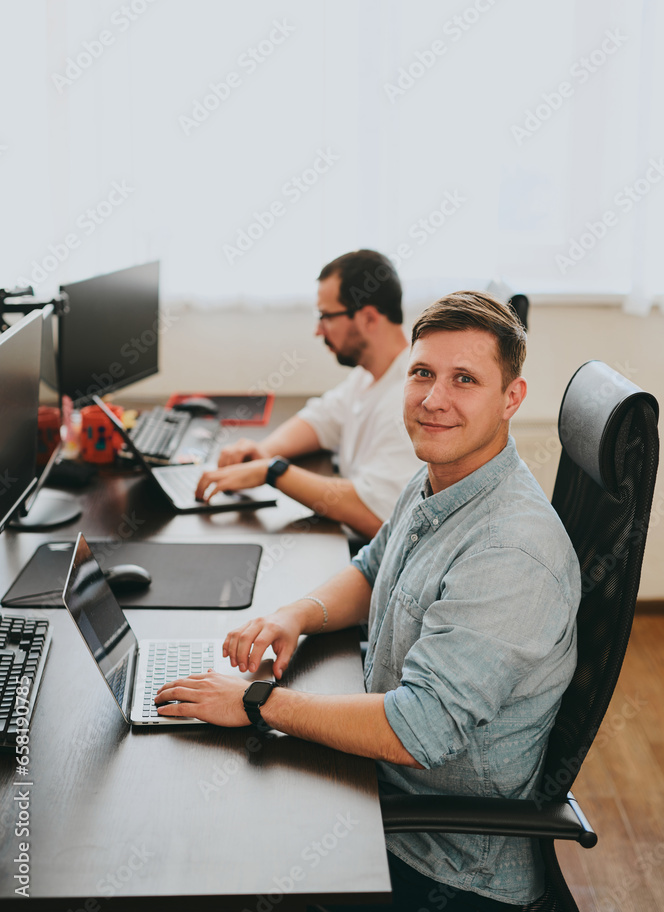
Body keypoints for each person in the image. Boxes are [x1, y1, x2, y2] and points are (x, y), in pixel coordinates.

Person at [157, 291, 581, 910]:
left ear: (511, 399)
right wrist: (295, 614)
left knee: (200, 863)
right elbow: (371, 568)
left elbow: (418, 731)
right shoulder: (442, 475)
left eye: (465, 379)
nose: (435, 399)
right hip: (380, 793)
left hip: (441, 865)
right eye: (422, 374)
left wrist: (256, 700)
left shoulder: (510, 553)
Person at [195, 250, 421, 538]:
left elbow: (378, 516)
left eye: (326, 317)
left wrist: (273, 472)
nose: (318, 330)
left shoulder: (406, 402)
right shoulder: (370, 374)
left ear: (368, 318)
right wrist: (264, 451)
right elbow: (321, 419)